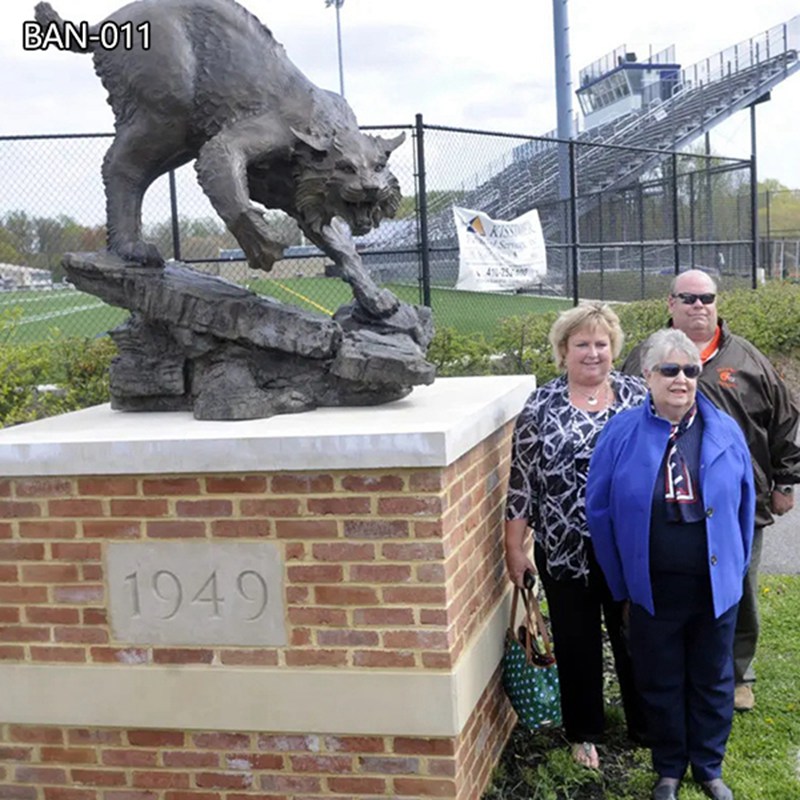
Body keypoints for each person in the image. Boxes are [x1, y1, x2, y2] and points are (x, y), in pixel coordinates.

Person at [587, 328, 755, 800]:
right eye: (669, 370)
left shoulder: (724, 429)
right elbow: (599, 511)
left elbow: (744, 507)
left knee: (712, 677)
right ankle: (668, 768)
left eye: (690, 370)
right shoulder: (620, 433)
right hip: (653, 586)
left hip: (711, 584)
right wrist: (620, 586)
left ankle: (708, 765)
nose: (681, 379)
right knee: (659, 679)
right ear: (647, 376)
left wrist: (734, 574)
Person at [622, 269, 800, 711]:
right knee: (673, 590)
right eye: (689, 298)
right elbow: (621, 421)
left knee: (736, 586)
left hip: (737, 503)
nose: (699, 306)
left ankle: (737, 674)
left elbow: (784, 421)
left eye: (707, 298)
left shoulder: (746, 359)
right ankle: (680, 671)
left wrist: (786, 480)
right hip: (664, 504)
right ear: (670, 303)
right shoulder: (644, 357)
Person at [504, 301, 648, 770]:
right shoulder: (540, 406)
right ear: (563, 351)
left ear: (614, 349)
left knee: (634, 633)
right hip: (564, 549)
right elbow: (521, 482)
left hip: (628, 548)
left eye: (601, 344)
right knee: (576, 639)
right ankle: (584, 732)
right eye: (581, 344)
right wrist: (513, 548)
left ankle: (646, 723)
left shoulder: (636, 397)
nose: (592, 353)